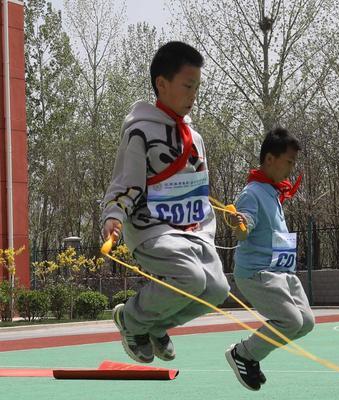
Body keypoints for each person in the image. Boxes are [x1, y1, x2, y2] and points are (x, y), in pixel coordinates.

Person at [101, 41, 229, 363]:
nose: (193, 95)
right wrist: (114, 215)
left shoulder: (195, 139)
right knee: (192, 278)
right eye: (188, 86)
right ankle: (130, 319)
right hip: (151, 229)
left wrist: (207, 230)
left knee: (216, 289)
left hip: (192, 231)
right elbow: (126, 181)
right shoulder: (140, 132)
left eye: (197, 87)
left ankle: (157, 325)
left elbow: (199, 189)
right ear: (162, 83)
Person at [225, 128, 314, 391]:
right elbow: (244, 227)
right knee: (290, 321)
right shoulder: (251, 193)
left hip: (283, 273)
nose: (291, 169)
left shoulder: (272, 192)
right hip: (258, 273)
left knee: (306, 322)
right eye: (289, 162)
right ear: (269, 159)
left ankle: (249, 357)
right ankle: (243, 354)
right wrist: (239, 224)